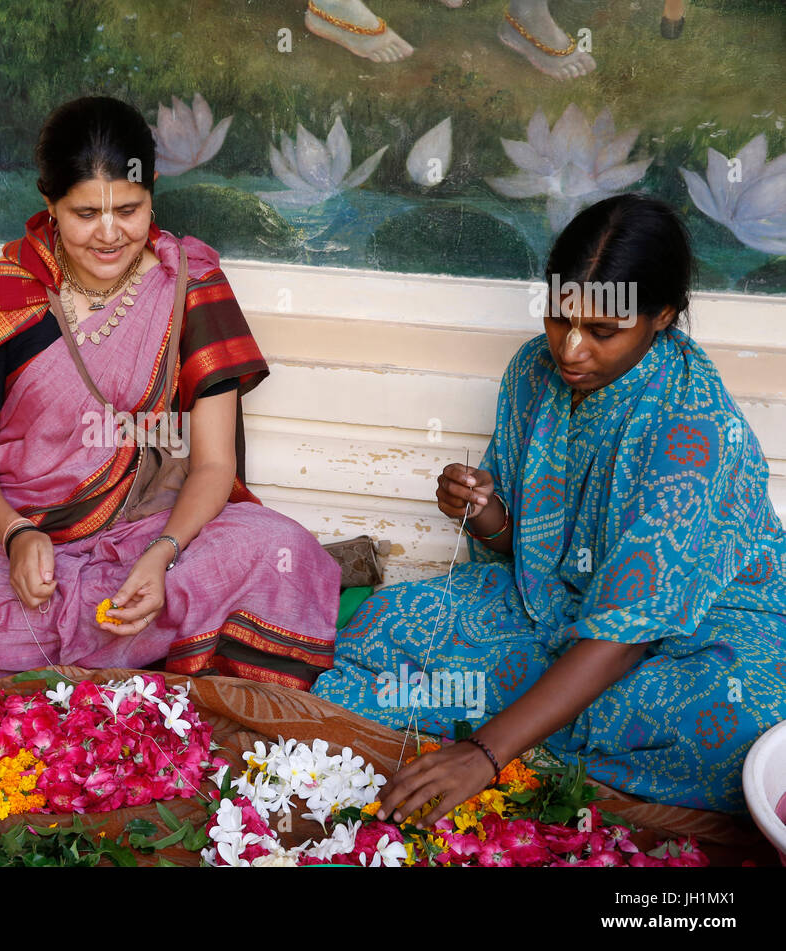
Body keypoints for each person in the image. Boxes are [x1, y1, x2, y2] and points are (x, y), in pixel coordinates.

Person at [314, 194, 786, 817]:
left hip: (700, 636)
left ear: (663, 316)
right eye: (561, 319)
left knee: (729, 728)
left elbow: (624, 638)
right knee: (383, 629)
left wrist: (484, 754)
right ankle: (537, 735)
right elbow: (527, 548)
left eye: (603, 332)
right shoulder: (534, 372)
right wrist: (481, 510)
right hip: (558, 607)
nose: (571, 350)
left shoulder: (694, 432)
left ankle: (513, 740)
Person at [0, 96, 339, 693]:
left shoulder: (189, 282)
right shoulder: (4, 297)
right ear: (49, 205)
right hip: (28, 546)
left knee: (278, 551)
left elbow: (214, 465)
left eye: (130, 210)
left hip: (149, 532)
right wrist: (14, 535)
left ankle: (75, 662)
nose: (110, 235)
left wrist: (162, 554)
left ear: (153, 189)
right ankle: (144, 657)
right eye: (85, 213)